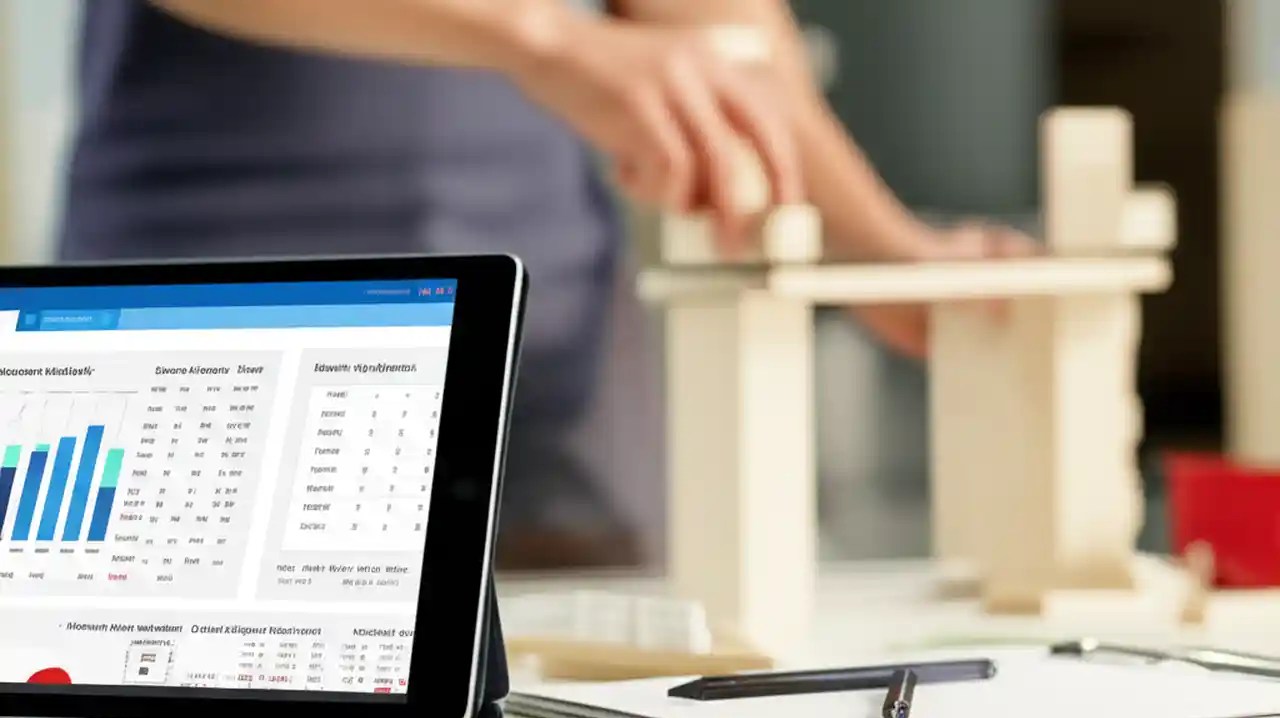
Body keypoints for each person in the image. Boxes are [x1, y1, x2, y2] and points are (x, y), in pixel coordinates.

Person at [59, 0, 1025, 570]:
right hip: (211, 336)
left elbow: (711, 25)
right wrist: (546, 40)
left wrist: (880, 251)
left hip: (546, 357)